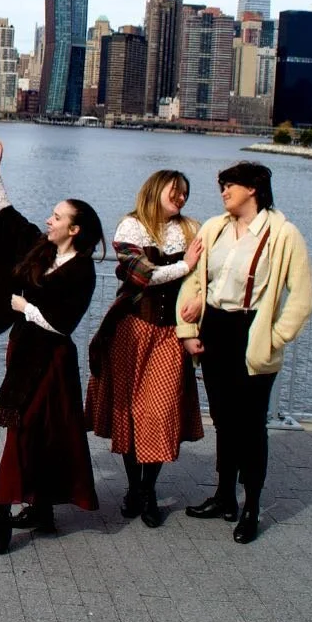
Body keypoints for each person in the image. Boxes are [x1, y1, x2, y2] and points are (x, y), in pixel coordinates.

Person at [0, 140, 101, 555]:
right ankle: (39, 509)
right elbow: (8, 217)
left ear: (74, 229)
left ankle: (4, 510)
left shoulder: (83, 270)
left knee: (36, 432)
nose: (49, 219)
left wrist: (26, 305)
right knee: (29, 430)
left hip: (52, 361)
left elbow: (63, 323)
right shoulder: (42, 247)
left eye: (57, 217)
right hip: (23, 352)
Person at [176, 161, 312, 544]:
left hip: (252, 333)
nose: (223, 192)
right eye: (222, 185)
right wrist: (188, 329)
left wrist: (275, 337)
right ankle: (224, 497)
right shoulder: (214, 228)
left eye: (230, 185)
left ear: (253, 189)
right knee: (223, 419)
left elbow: (302, 297)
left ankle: (252, 506)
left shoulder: (283, 235)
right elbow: (196, 279)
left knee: (251, 425)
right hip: (215, 329)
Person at [85, 170, 205, 527]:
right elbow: (142, 276)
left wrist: (198, 296)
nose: (181, 198)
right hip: (133, 329)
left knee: (161, 412)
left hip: (171, 333)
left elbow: (203, 277)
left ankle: (149, 489)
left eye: (185, 192)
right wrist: (187, 265)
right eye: (175, 191)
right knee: (131, 410)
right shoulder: (131, 226)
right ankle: (134, 488)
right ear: (155, 190)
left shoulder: (191, 229)